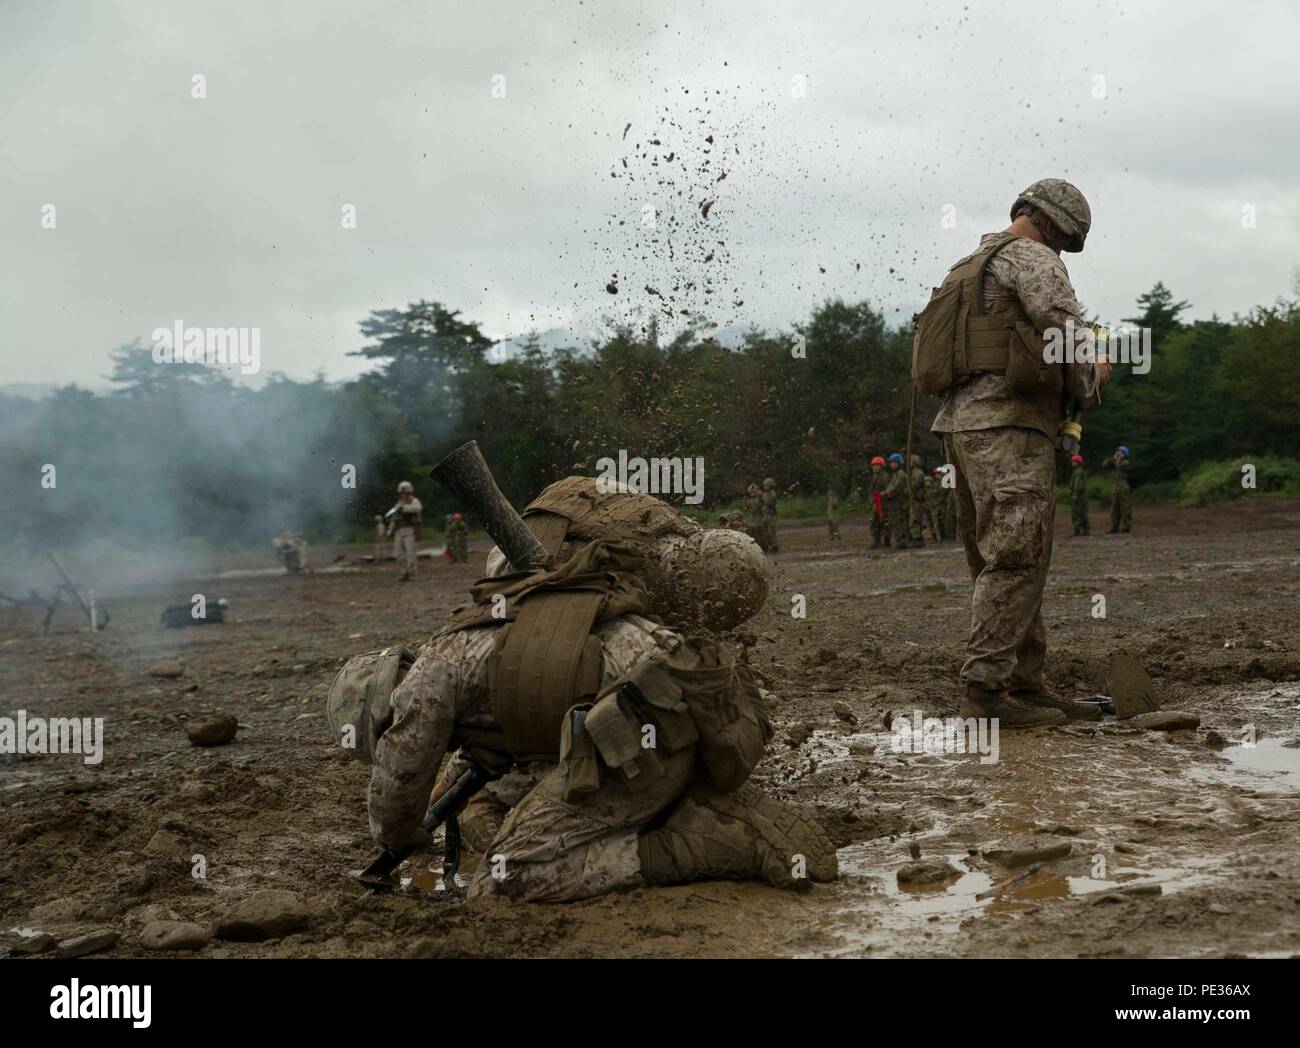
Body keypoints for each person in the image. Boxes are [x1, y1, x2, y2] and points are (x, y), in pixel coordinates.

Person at [348, 475, 836, 902]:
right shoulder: (505, 623)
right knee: (540, 792)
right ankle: (685, 805)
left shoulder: (437, 670)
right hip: (689, 719)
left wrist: (400, 835)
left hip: (644, 741)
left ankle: (704, 843)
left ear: (386, 701)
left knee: (505, 875)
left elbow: (399, 783)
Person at [922, 178, 1112, 725]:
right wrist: (1093, 375)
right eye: (1064, 241)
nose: (1061, 252)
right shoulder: (1033, 261)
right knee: (1017, 559)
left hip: (961, 430)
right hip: (1008, 427)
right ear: (1054, 224)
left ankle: (1024, 686)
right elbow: (1065, 337)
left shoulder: (968, 266)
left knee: (1001, 559)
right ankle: (986, 695)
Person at [385, 481, 423, 581]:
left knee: (410, 553)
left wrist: (404, 508)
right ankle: (404, 573)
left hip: (409, 530)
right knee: (398, 554)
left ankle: (412, 574)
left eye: (406, 492)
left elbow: (418, 509)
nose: (404, 495)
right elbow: (394, 519)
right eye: (402, 493)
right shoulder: (398, 504)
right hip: (398, 531)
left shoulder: (414, 501)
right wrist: (389, 531)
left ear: (410, 492)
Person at [883, 453, 912, 550]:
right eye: (891, 463)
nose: (892, 465)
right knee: (894, 522)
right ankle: (900, 540)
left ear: (899, 463)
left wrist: (886, 493)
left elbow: (896, 488)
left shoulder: (901, 475)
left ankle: (903, 541)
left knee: (900, 523)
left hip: (900, 503)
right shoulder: (895, 475)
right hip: (894, 504)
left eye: (894, 463)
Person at [1105, 446, 1132, 534]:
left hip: (1123, 486)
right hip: (1115, 487)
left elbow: (1121, 466)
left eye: (1120, 452)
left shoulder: (1126, 462)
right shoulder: (1115, 461)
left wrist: (1118, 459)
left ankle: (1125, 527)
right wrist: (1113, 458)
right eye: (1117, 451)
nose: (1118, 453)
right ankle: (1114, 526)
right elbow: (1104, 464)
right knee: (1114, 508)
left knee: (1125, 507)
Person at [867, 455, 891, 549]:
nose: (874, 467)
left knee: (884, 522)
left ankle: (886, 541)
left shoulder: (884, 477)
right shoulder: (875, 476)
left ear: (881, 466)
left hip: (883, 503)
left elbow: (887, 490)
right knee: (874, 522)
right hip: (876, 502)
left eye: (877, 465)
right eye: (873, 465)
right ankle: (876, 541)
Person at [907, 455, 927, 548]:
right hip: (914, 499)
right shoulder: (913, 473)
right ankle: (916, 537)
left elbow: (916, 484)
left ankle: (918, 539)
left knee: (914, 519)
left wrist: (909, 488)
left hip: (918, 500)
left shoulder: (918, 473)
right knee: (914, 518)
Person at [1069, 454, 1090, 536]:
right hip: (1081, 496)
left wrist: (1075, 494)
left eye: (1074, 461)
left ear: (1078, 462)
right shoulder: (1078, 471)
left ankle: (1078, 530)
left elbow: (1078, 484)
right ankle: (1085, 529)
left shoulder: (1078, 472)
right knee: (1082, 512)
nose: (1072, 463)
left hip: (1079, 496)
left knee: (1077, 513)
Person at [759, 478, 779, 553]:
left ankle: (774, 546)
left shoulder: (772, 494)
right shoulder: (765, 494)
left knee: (771, 532)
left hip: (771, 515)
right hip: (765, 515)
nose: (764, 487)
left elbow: (769, 502)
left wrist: (761, 496)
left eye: (766, 485)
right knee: (765, 532)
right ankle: (767, 545)